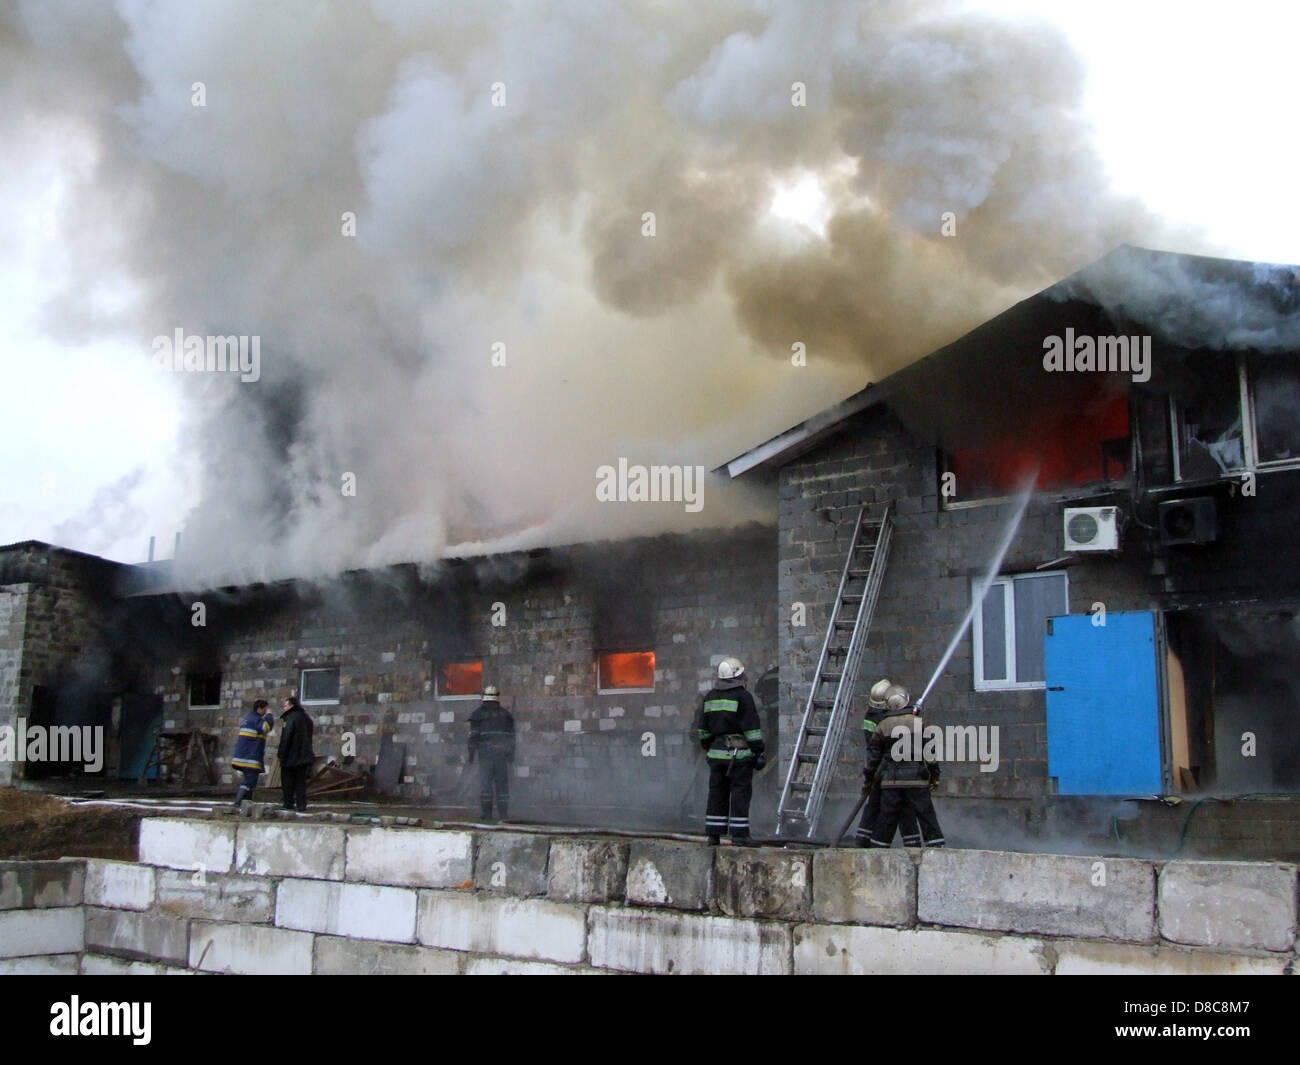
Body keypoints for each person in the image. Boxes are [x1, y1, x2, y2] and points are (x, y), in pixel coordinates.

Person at [695, 656, 765, 845]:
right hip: (739, 755)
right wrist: (759, 751)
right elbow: (752, 729)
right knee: (740, 792)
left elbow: (702, 729)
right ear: (738, 676)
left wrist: (710, 747)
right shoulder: (743, 697)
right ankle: (740, 835)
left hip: (716, 755)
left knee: (717, 792)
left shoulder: (710, 696)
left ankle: (713, 834)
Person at [865, 684, 945, 848]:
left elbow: (873, 758)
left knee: (887, 816)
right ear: (906, 701)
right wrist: (934, 776)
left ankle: (877, 851)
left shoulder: (882, 726)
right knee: (926, 814)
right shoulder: (919, 723)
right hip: (916, 779)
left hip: (891, 781)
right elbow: (930, 755)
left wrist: (869, 781)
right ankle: (936, 849)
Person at [854, 677, 921, 847]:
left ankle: (863, 841)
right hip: (889, 771)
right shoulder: (883, 720)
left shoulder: (872, 715)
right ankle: (910, 845)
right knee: (903, 807)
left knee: (874, 806)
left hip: (880, 770)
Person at [468, 685, 515, 822]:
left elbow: (473, 736)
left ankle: (487, 814)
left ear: (484, 697)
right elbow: (512, 737)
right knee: (502, 785)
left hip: (485, 755)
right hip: (501, 755)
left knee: (486, 785)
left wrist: (471, 752)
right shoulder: (506, 715)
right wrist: (511, 753)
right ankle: (503, 815)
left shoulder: (477, 715)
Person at [230, 699, 273, 809]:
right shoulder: (256, 719)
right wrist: (269, 715)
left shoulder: (248, 719)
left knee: (250, 782)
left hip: (244, 756)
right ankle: (238, 803)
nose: (265, 712)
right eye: (264, 709)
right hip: (250, 757)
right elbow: (266, 727)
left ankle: (246, 805)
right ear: (259, 709)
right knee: (249, 781)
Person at [277, 696, 315, 812]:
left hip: (291, 756)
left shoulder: (289, 718)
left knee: (287, 781)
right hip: (304, 756)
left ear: (291, 706)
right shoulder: (306, 718)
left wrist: (281, 754)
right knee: (300, 782)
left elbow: (286, 737)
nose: (284, 708)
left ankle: (288, 803)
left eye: (285, 705)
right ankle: (301, 804)